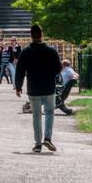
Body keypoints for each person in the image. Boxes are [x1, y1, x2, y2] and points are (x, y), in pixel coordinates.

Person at [15, 25, 62, 153]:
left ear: (31, 35)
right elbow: (58, 68)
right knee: (49, 113)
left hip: (33, 88)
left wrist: (18, 87)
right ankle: (47, 137)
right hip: (48, 87)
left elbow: (20, 70)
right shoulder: (51, 51)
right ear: (42, 34)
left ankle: (37, 144)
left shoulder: (26, 52)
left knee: (36, 115)